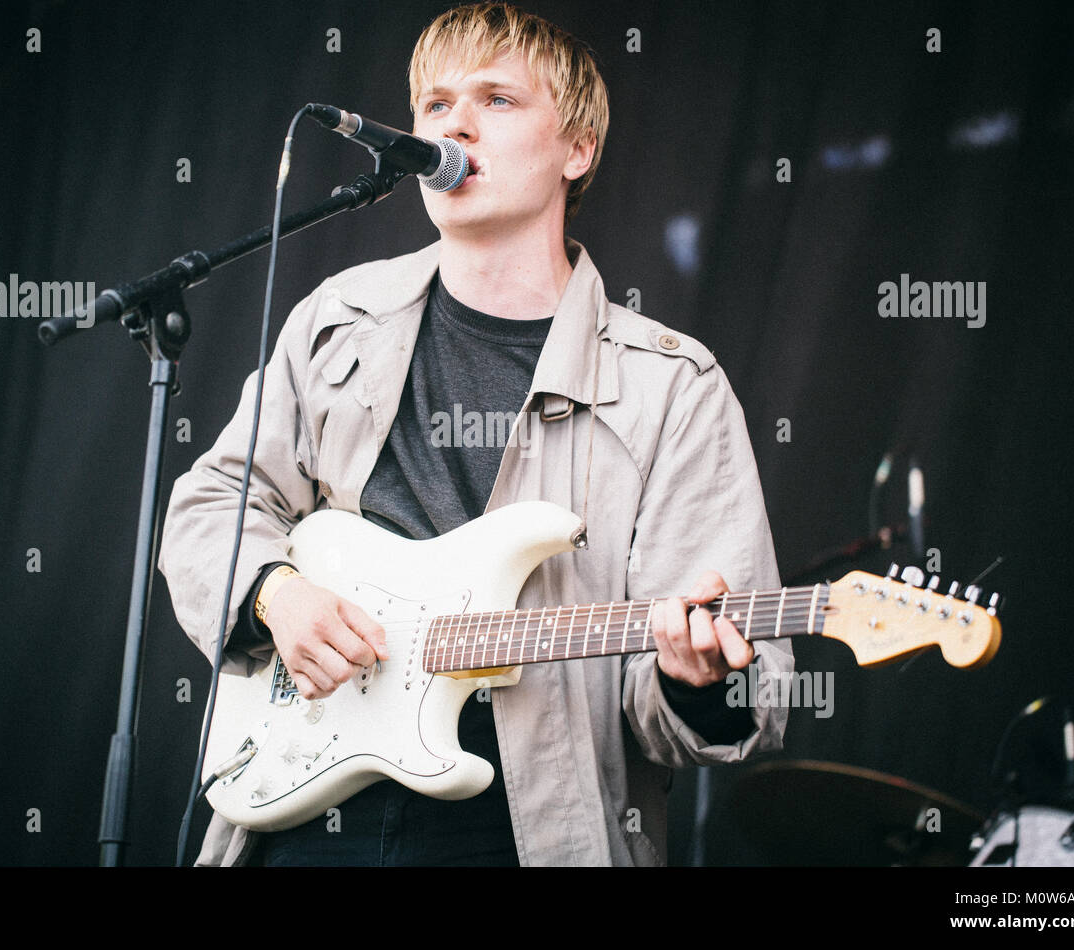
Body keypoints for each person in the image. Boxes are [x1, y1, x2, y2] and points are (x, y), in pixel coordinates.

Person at [158, 1, 794, 866]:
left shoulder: (673, 387)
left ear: (578, 151)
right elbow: (212, 503)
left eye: (497, 100)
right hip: (299, 809)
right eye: (436, 104)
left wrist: (697, 679)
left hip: (515, 833)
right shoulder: (337, 320)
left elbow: (685, 709)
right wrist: (278, 592)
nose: (454, 122)